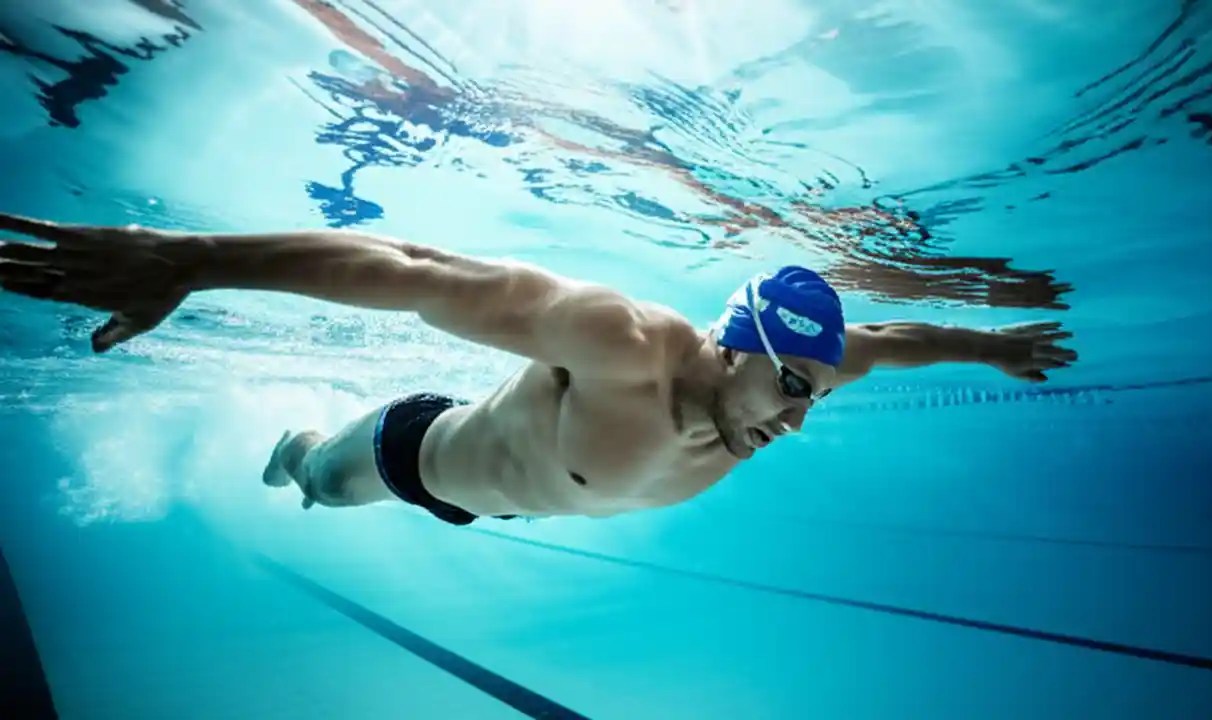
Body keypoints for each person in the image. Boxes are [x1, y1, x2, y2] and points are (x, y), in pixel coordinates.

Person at [0, 212, 1076, 522]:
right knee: (317, 486)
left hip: (518, 497)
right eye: (792, 389)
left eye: (816, 392)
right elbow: (419, 270)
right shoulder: (622, 348)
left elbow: (897, 343)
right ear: (738, 340)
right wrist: (194, 260)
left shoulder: (806, 373)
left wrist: (991, 343)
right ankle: (295, 441)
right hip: (416, 458)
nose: (799, 419)